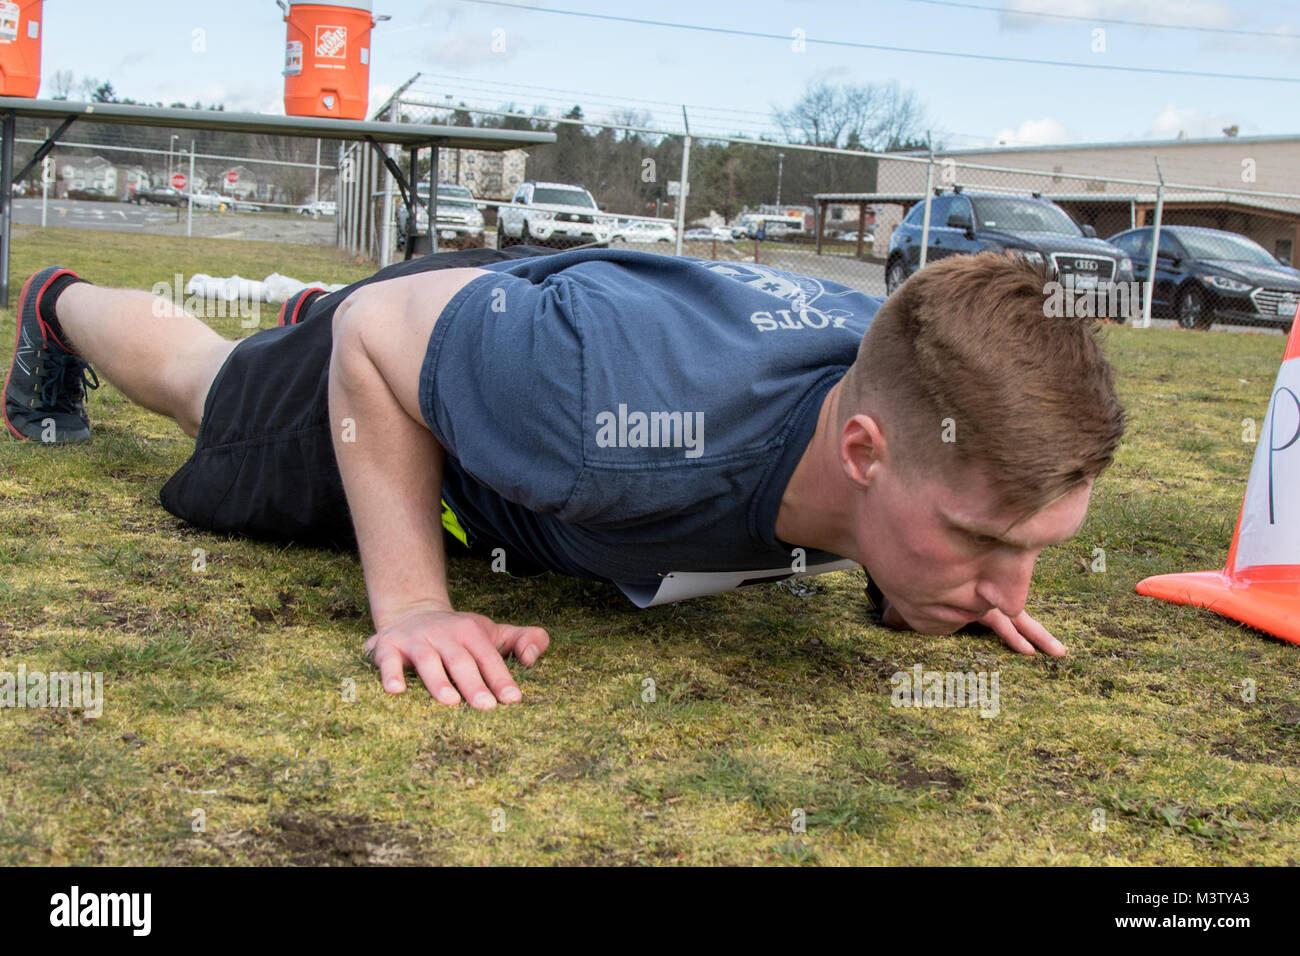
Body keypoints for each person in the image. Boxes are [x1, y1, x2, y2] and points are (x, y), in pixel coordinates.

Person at [3, 247, 1125, 710]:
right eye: (982, 539)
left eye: (1035, 545)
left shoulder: (909, 399)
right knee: (212, 385)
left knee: (423, 332)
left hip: (505, 325)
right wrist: (415, 603)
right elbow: (381, 341)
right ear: (863, 453)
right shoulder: (619, 415)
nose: (1011, 585)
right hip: (415, 360)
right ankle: (57, 303)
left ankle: (356, 321)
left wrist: (924, 575)